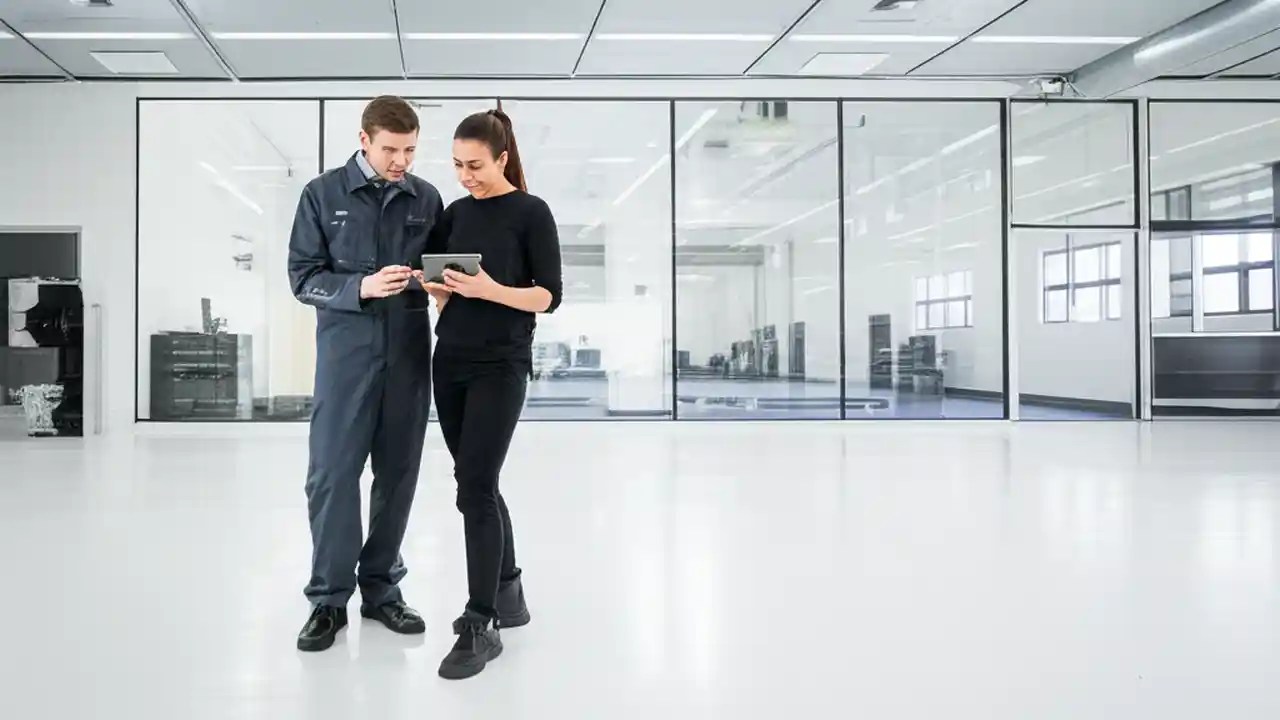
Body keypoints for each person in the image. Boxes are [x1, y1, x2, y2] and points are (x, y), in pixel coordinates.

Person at [288, 95, 443, 652]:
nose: (400, 160)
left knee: (397, 475)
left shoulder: (425, 197)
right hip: (346, 355)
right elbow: (303, 277)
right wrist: (360, 288)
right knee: (331, 476)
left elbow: (440, 266)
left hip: (406, 352)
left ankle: (381, 591)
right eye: (390, 149)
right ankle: (329, 601)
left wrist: (438, 282)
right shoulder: (322, 194)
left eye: (409, 150)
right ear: (364, 140)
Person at [417, 107, 562, 680]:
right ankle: (510, 594)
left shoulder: (531, 213)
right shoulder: (454, 213)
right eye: (456, 165)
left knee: (475, 487)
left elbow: (547, 296)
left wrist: (490, 288)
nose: (465, 176)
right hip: (448, 360)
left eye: (475, 165)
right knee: (475, 482)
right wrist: (440, 289)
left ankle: (483, 621)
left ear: (502, 158)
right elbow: (431, 275)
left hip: (500, 365)